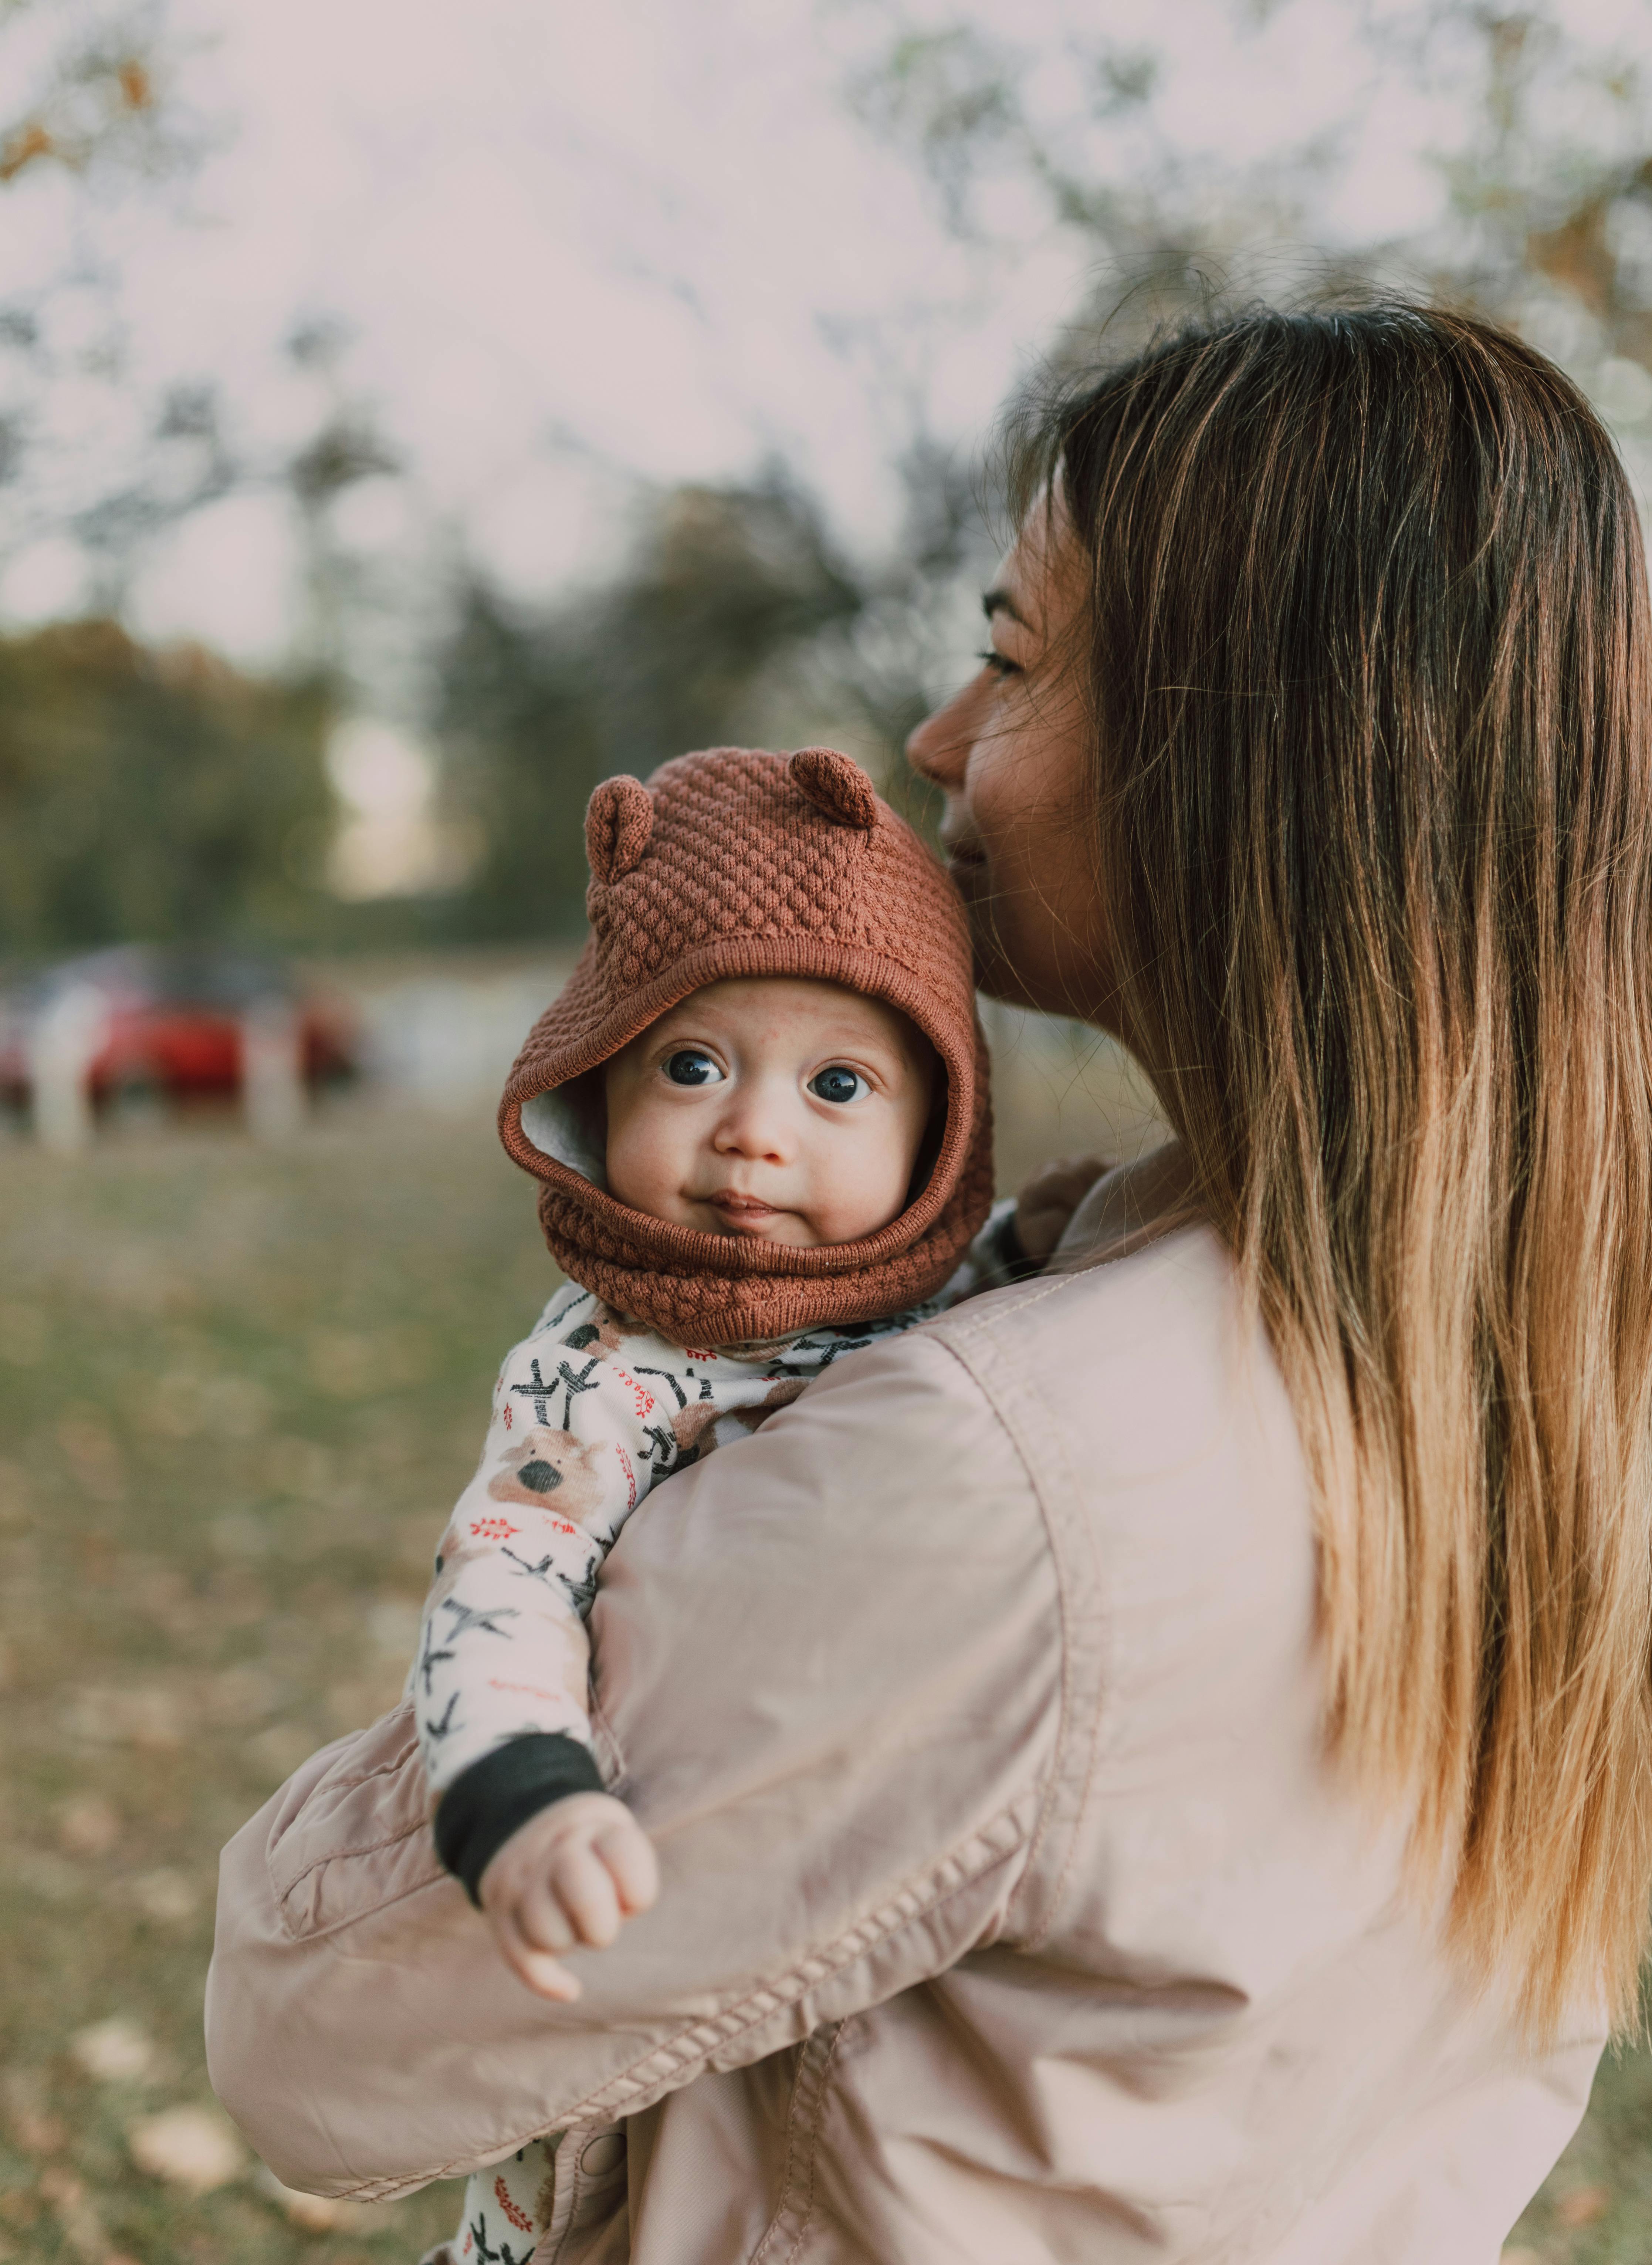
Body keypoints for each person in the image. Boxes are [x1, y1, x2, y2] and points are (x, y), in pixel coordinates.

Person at [207, 302, 1652, 2265]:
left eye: (1010, 657)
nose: (936, 739)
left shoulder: (1018, 1472)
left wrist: (575, 1562)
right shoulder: (1567, 1357)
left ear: (1245, 769)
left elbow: (313, 2038)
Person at [417, 741, 1091, 2261]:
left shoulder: (943, 1288)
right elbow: (504, 1573)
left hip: (868, 1872)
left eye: (837, 1083)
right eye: (692, 1064)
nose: (752, 1133)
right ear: (599, 1075)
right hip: (639, 1844)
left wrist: (1047, 1238)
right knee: (582, 2199)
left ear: (940, 1130)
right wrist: (520, 1788)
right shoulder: (605, 1365)